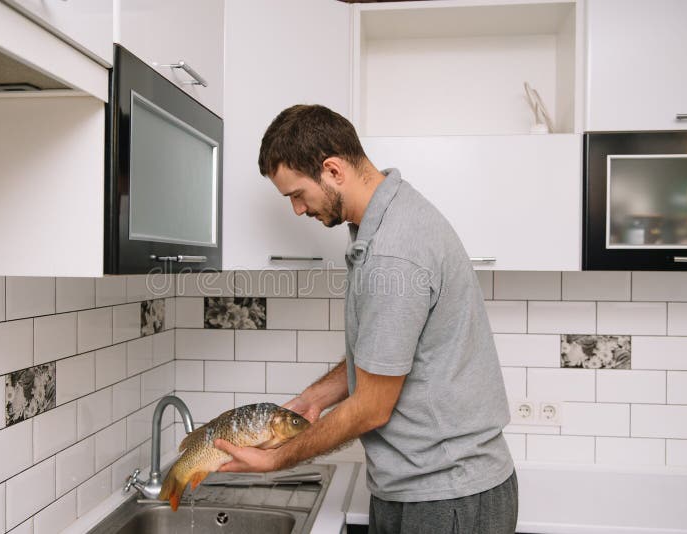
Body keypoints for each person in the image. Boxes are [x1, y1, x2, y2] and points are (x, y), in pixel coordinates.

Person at [213, 104, 518, 534]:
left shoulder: (394, 250)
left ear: (333, 170)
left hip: (446, 498)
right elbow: (383, 355)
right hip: (424, 488)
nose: (298, 210)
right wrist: (313, 399)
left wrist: (276, 458)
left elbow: (372, 408)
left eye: (297, 194)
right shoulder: (383, 224)